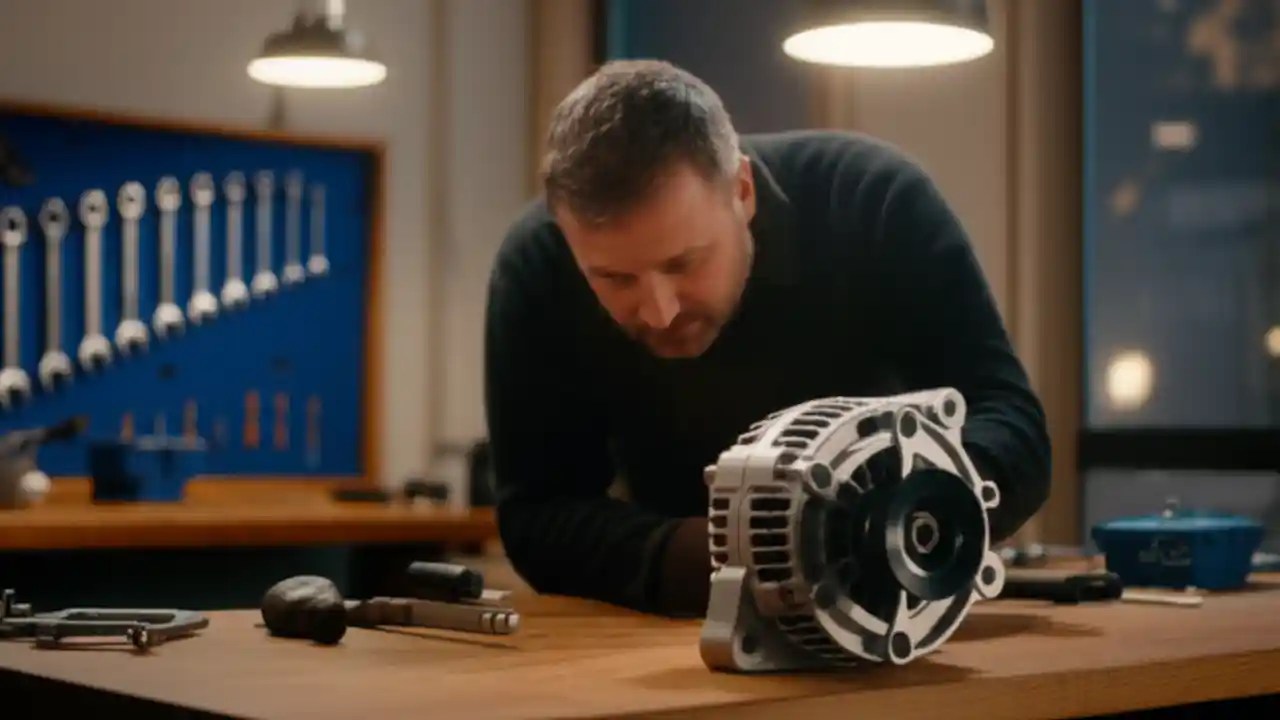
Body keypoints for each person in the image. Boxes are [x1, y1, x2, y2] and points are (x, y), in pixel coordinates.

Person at [483, 59, 1051, 618]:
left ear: (743, 190)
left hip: (894, 608)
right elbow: (538, 515)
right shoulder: (539, 264)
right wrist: (750, 558)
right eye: (613, 279)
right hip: (675, 628)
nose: (659, 311)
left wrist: (906, 520)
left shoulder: (870, 200)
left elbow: (1013, 425)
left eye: (685, 262)